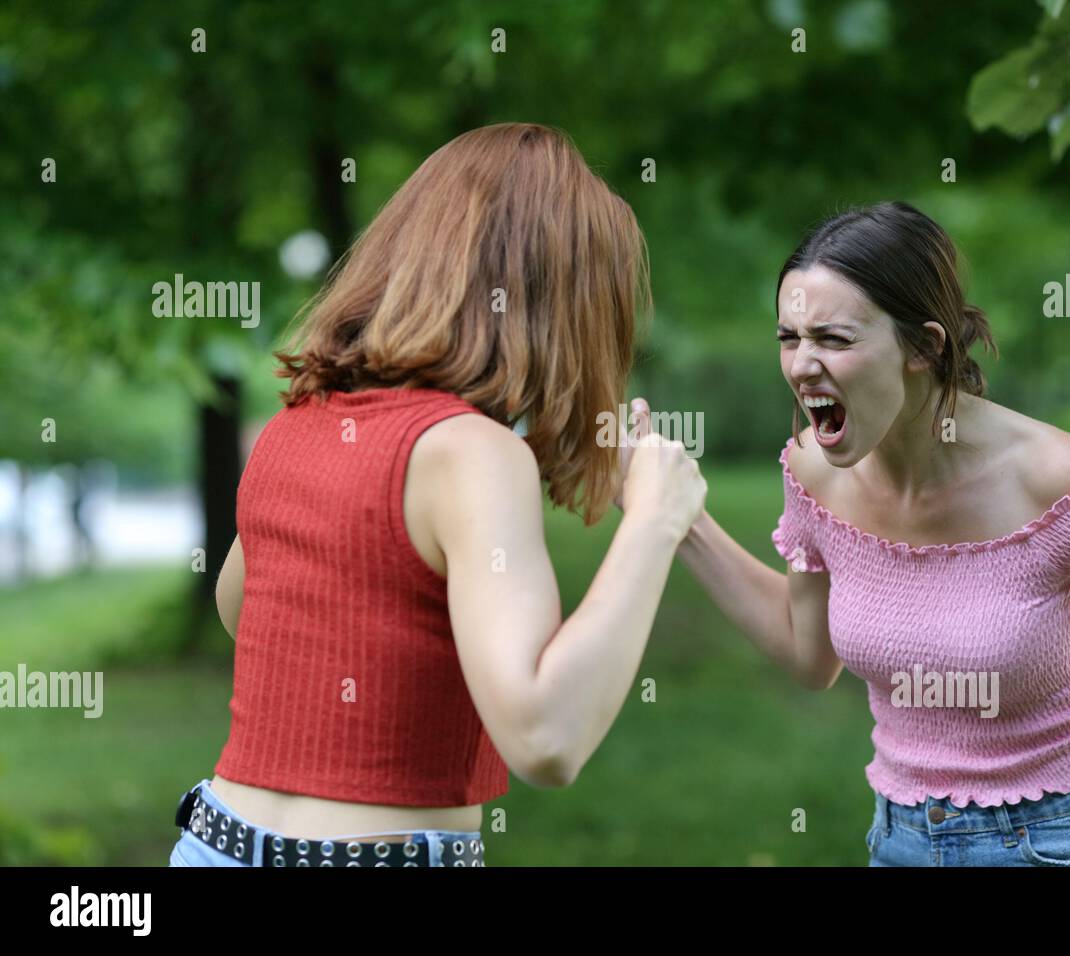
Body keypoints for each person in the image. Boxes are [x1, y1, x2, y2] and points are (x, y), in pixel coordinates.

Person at [668, 200, 1070, 866]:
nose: (801, 365)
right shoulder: (813, 473)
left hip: (1066, 842)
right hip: (901, 843)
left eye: (834, 339)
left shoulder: (1057, 480)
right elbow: (809, 654)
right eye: (789, 339)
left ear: (924, 347)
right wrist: (677, 517)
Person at [168, 122, 706, 867]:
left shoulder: (297, 424)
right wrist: (654, 519)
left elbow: (243, 614)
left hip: (211, 842)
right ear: (561, 308)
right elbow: (545, 737)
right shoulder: (474, 455)